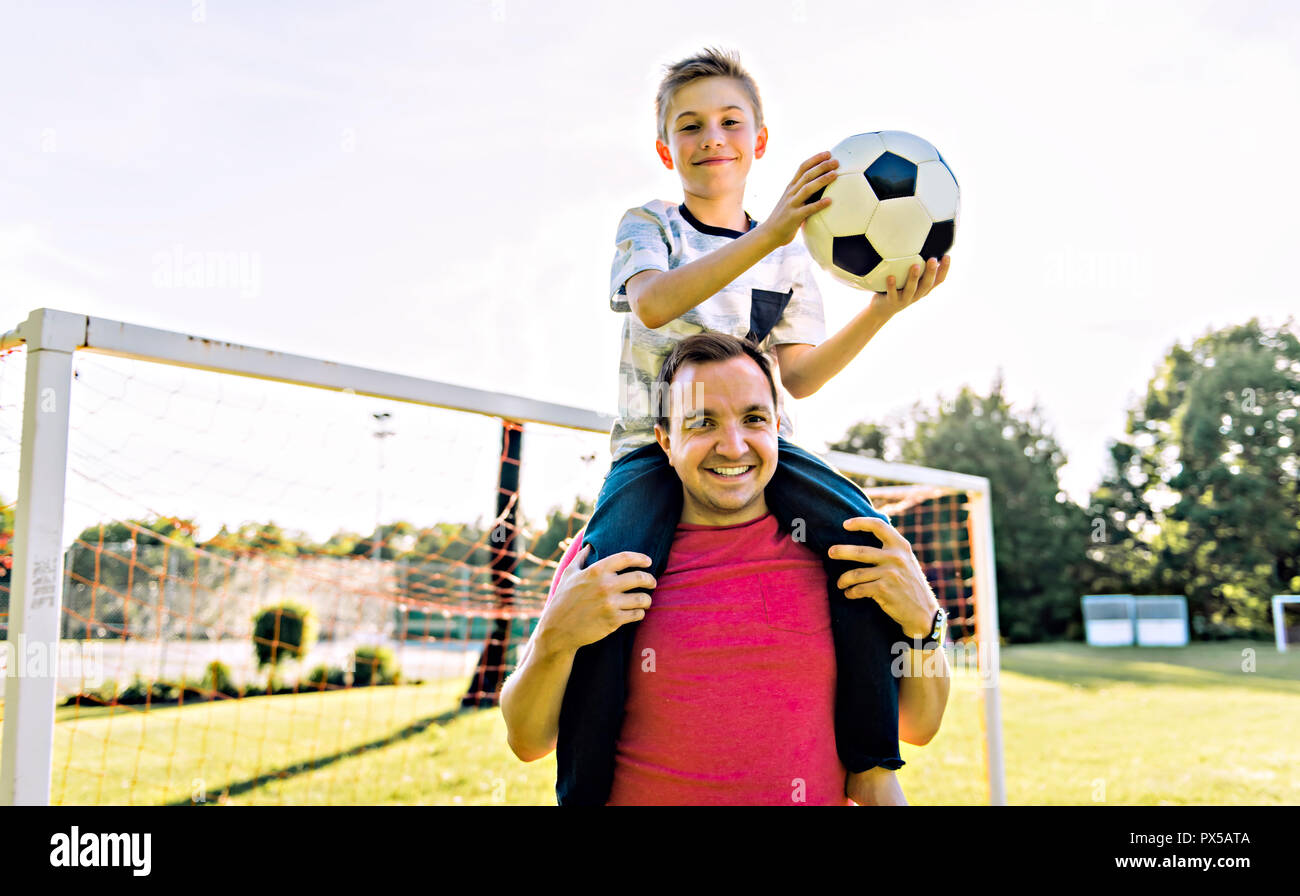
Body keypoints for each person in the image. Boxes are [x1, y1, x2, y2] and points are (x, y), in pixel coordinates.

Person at [556, 47, 951, 806]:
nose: (713, 138)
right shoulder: (650, 224)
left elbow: (797, 374)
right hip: (654, 451)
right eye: (691, 125)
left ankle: (871, 763)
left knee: (863, 537)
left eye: (731, 122)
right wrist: (767, 233)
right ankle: (582, 789)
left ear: (760, 140)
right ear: (667, 147)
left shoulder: (793, 253)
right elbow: (653, 305)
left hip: (760, 451)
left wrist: (883, 308)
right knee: (607, 576)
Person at [501, 333, 951, 805]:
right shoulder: (604, 565)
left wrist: (926, 622)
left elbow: (918, 728)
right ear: (665, 441)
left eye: (753, 419)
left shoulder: (842, 556)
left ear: (777, 426)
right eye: (702, 423)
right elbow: (526, 742)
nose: (733, 446)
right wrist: (554, 639)